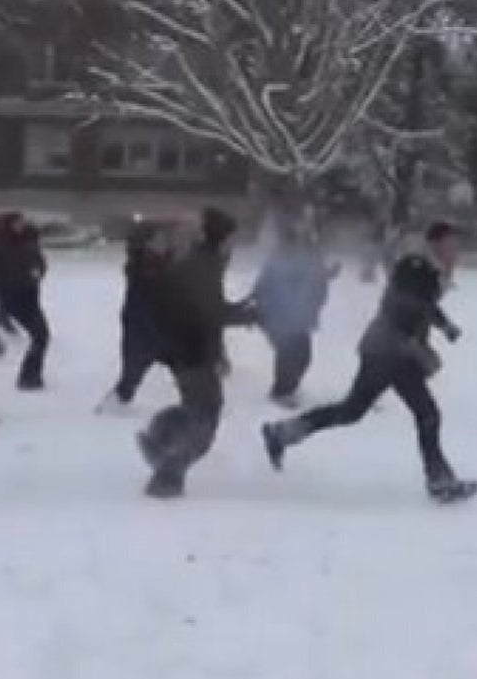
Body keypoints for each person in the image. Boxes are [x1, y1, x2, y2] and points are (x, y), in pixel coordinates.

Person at [259, 222, 477, 504]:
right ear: (437, 243)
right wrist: (421, 337)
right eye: (452, 243)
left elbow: (422, 304)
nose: (457, 250)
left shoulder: (426, 269)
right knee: (425, 413)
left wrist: (444, 325)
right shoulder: (415, 266)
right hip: (388, 350)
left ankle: (283, 433)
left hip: (395, 351)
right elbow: (405, 303)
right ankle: (440, 480)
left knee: (354, 410)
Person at [137, 207, 252, 499]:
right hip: (190, 347)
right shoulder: (205, 264)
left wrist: (242, 313)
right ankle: (166, 467)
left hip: (188, 346)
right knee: (205, 418)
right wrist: (243, 315)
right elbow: (208, 310)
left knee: (198, 410)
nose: (235, 246)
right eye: (233, 239)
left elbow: (208, 307)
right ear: (222, 238)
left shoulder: (204, 261)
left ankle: (160, 442)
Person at [248, 216, 337, 407]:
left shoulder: (308, 257)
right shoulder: (277, 260)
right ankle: (281, 392)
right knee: (289, 354)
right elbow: (263, 284)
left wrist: (328, 274)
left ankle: (287, 389)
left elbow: (315, 279)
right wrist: (261, 304)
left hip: (300, 318)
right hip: (280, 318)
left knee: (304, 356)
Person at [99, 219, 174, 412]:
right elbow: (145, 302)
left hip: (156, 327)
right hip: (142, 328)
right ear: (147, 243)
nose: (164, 241)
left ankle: (200, 405)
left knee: (188, 367)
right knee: (132, 375)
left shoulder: (161, 262)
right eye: (159, 239)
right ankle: (111, 405)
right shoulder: (144, 267)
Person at [0, 211, 51, 390]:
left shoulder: (30, 241)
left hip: (30, 294)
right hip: (12, 296)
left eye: (22, 222)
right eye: (16, 223)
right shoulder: (1, 245)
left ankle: (32, 375)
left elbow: (40, 262)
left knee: (41, 336)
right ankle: (28, 377)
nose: (20, 225)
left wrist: (38, 273)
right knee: (40, 335)